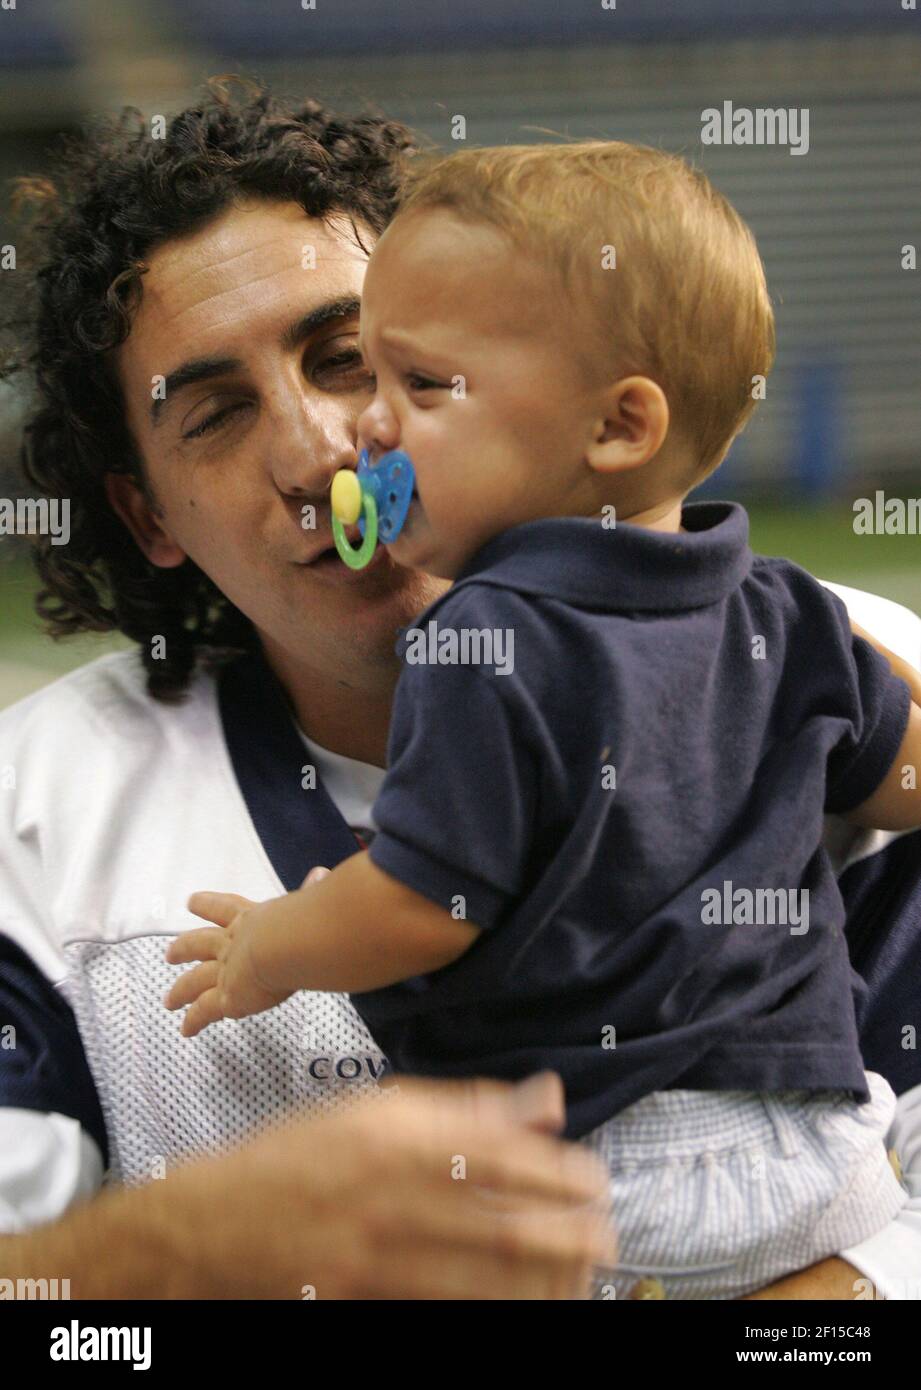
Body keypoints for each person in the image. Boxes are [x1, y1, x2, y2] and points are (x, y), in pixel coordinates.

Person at [0, 82, 918, 1298]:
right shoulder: (36, 814)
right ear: (147, 517)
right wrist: (162, 1261)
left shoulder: (828, 664)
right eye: (217, 415)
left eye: (361, 362)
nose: (325, 451)